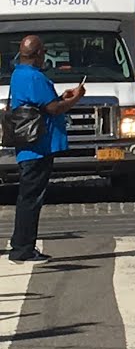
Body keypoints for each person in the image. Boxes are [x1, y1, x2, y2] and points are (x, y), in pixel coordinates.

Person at [7, 35, 85, 263]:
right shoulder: (35, 77)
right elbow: (53, 108)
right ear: (39, 53)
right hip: (38, 147)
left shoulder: (18, 74)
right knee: (30, 199)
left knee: (28, 197)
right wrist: (76, 99)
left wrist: (63, 97)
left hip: (28, 147)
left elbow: (42, 103)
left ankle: (21, 245)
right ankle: (22, 249)